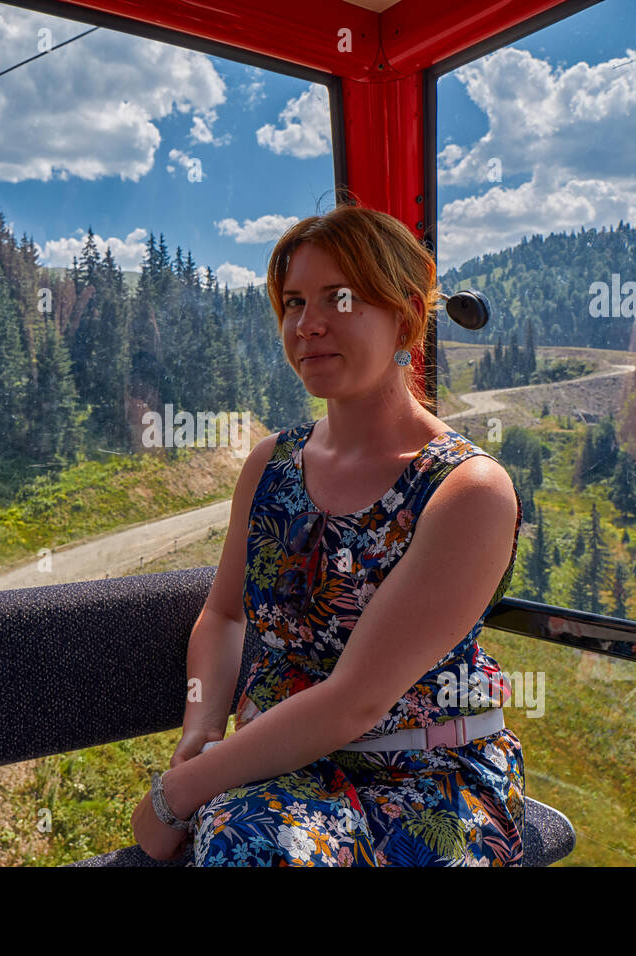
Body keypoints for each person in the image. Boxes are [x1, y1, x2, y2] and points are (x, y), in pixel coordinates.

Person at [130, 197, 525, 866]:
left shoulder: (465, 492)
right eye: (292, 303)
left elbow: (355, 701)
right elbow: (224, 616)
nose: (307, 324)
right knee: (240, 840)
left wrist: (177, 792)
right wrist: (198, 732)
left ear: (403, 314)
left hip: (425, 778)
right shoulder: (271, 466)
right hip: (278, 769)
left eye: (338, 299)